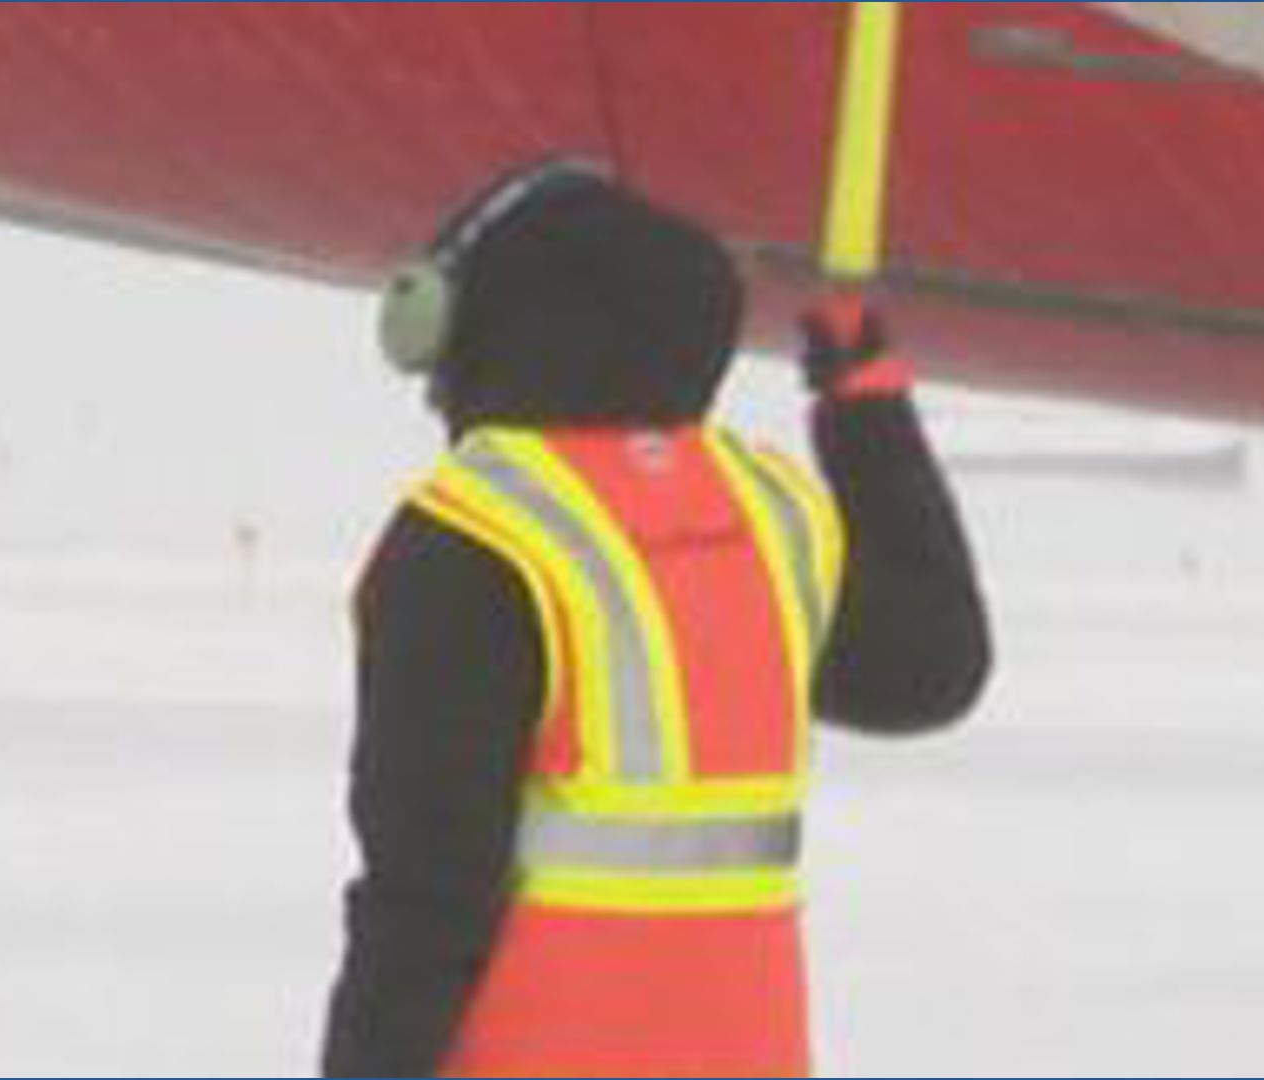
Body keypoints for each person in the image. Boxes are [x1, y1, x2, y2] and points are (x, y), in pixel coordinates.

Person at [322, 161, 992, 1078]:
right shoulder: (769, 515)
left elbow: (424, 899)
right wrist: (867, 412)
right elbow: (932, 667)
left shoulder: (475, 537)